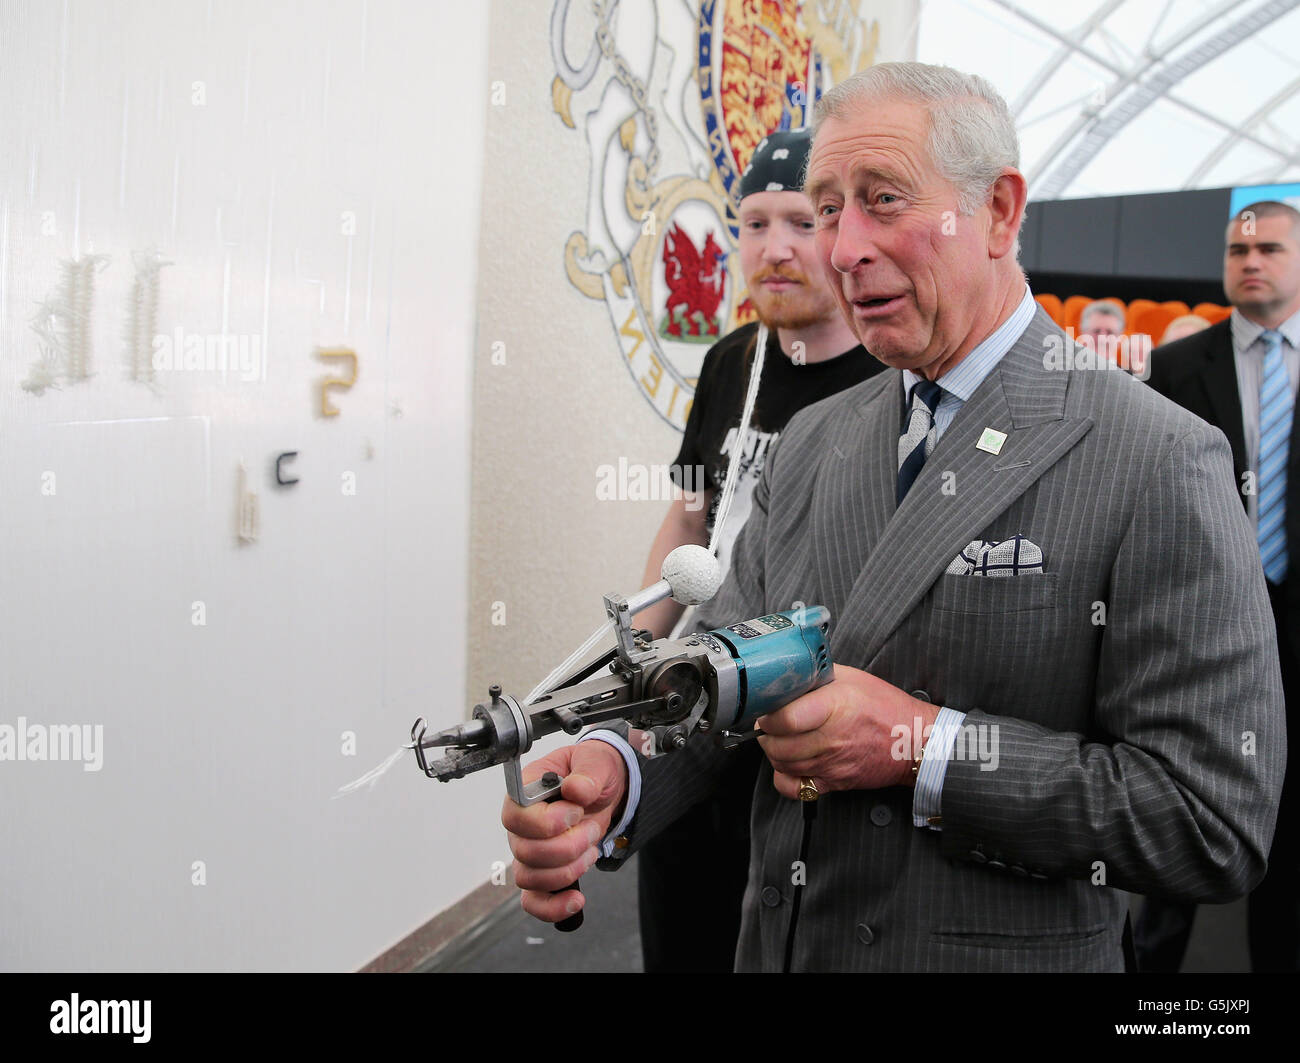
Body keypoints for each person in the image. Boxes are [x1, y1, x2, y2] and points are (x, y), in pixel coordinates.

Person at [502, 62, 1285, 973]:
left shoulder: (1157, 458)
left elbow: (1211, 816)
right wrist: (619, 769)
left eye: (882, 200)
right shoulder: (812, 439)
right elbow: (720, 666)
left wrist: (923, 746)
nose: (841, 247)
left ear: (998, 211)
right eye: (829, 207)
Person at [632, 128, 885, 973]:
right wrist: (640, 657)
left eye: (801, 221)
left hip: (802, 728)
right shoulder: (731, 360)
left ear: (841, 229)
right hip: (695, 711)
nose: (774, 248)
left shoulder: (889, 381)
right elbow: (690, 518)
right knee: (680, 938)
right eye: (753, 224)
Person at [1141, 200, 1300, 973]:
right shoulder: (1176, 367)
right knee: (1181, 801)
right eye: (1239, 250)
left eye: (1269, 248)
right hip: (1201, 621)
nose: (1251, 261)